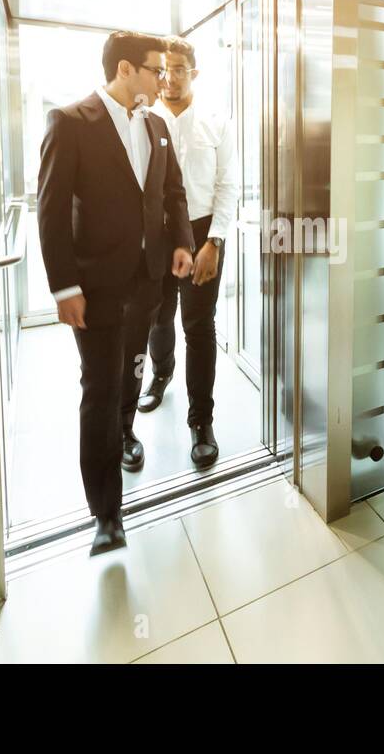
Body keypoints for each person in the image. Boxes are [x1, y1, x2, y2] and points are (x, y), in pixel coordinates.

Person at [37, 31, 194, 557]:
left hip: (148, 278)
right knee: (99, 388)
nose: (163, 78)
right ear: (126, 69)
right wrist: (64, 287)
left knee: (132, 370)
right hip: (96, 287)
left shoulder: (156, 124)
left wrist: (182, 244)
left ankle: (125, 432)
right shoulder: (71, 122)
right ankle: (106, 513)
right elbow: (51, 210)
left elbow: (171, 192)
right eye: (156, 70)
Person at [136, 37, 240, 469]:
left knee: (199, 327)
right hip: (156, 234)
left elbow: (228, 186)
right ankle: (161, 375)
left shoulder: (217, 120)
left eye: (179, 69)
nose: (170, 78)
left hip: (202, 231)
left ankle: (201, 421)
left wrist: (214, 243)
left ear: (193, 72)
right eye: (164, 69)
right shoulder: (143, 119)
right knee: (158, 316)